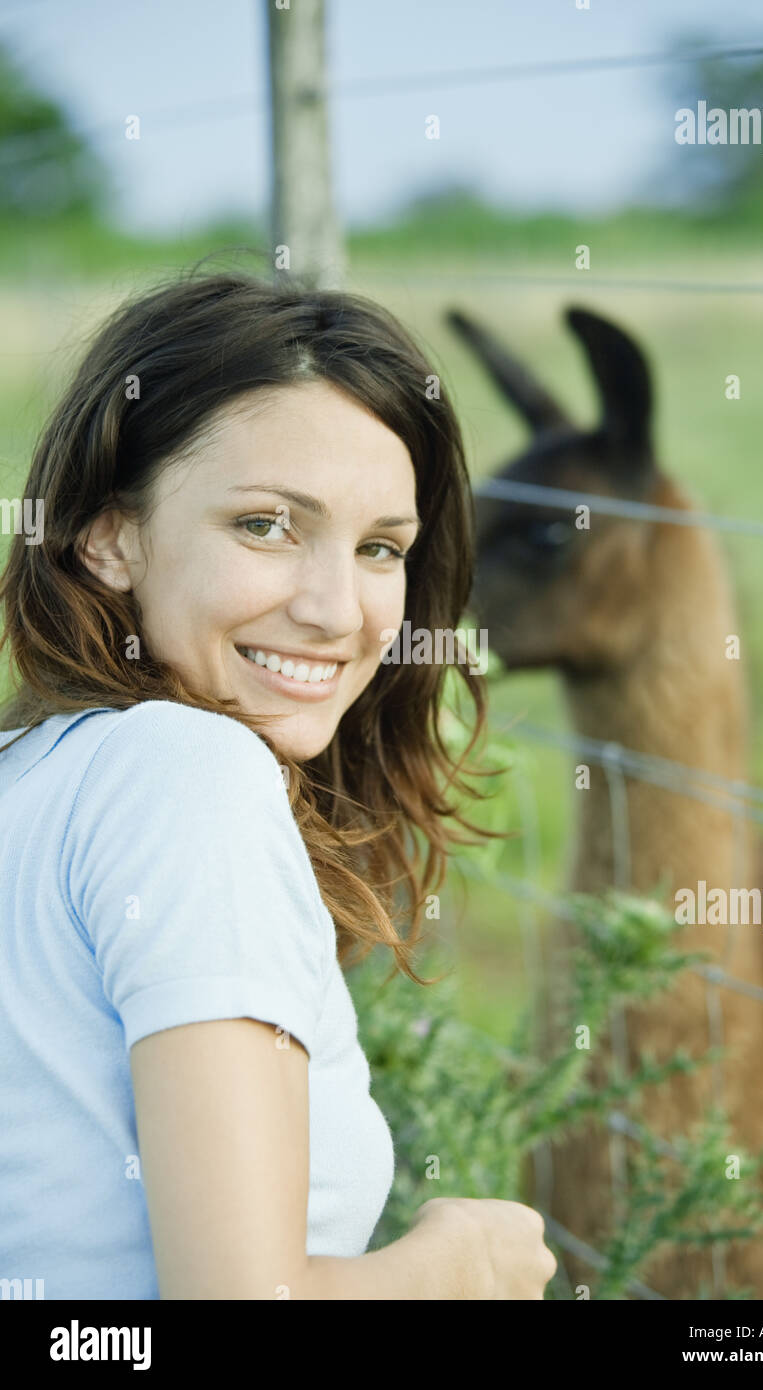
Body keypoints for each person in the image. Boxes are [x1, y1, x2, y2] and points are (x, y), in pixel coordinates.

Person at [0, 268, 557, 1300]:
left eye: (381, 546)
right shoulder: (186, 777)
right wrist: (458, 1269)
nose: (336, 609)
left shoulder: (32, 774)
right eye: (266, 525)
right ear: (108, 534)